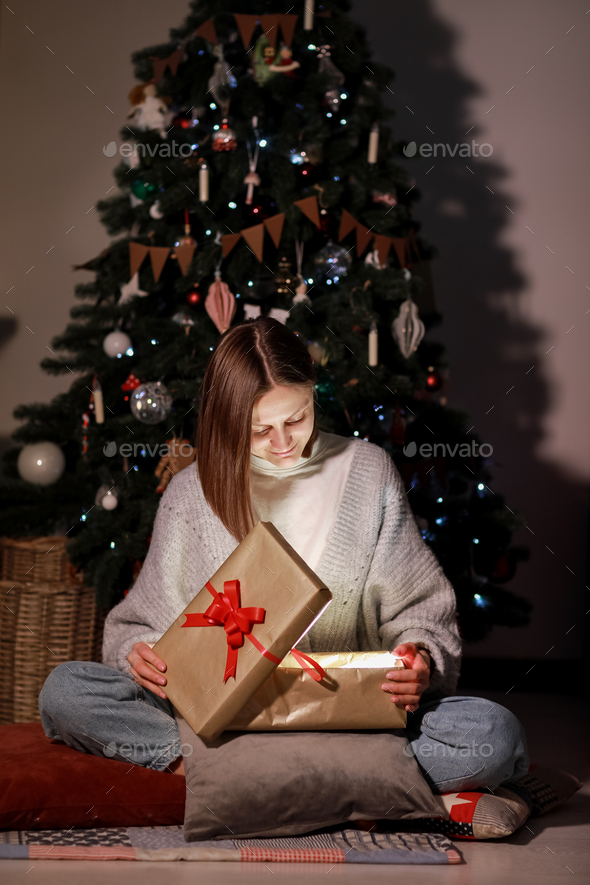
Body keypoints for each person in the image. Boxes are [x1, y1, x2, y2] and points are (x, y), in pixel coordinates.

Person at [39, 317, 530, 795]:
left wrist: (419, 659)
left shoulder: (368, 472)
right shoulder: (192, 494)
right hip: (224, 723)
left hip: (348, 718)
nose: (282, 443)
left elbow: (420, 612)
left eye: (295, 418)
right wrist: (138, 656)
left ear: (313, 390)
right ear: (230, 422)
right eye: (259, 430)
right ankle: (346, 785)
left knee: (492, 733)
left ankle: (235, 780)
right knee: (67, 690)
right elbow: (138, 626)